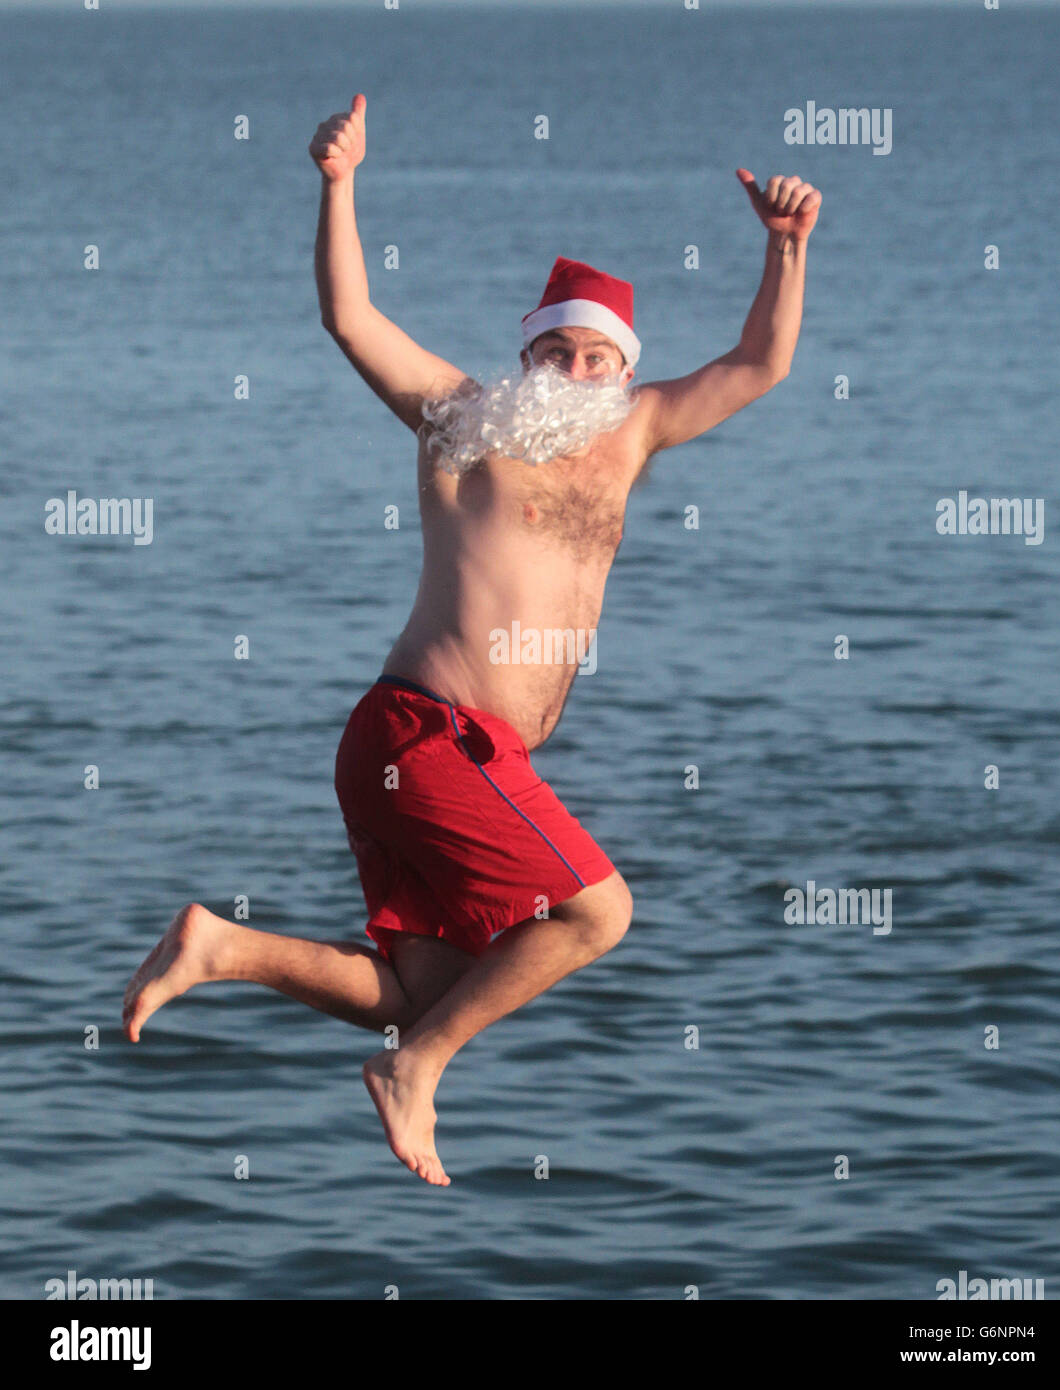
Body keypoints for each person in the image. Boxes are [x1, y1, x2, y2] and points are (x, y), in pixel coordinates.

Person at [122, 94, 822, 1186]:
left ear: (624, 371)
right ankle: (419, 1072)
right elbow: (350, 317)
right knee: (598, 910)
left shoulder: (631, 435)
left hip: (436, 751)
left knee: (409, 990)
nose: (578, 371)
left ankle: (221, 946)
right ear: (525, 357)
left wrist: (784, 249)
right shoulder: (462, 420)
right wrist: (339, 182)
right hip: (431, 733)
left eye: (599, 357)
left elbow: (759, 362)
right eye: (558, 351)